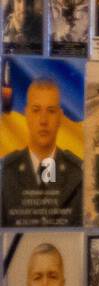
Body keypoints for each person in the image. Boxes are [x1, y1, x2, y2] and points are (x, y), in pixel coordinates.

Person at [1, 77, 84, 227]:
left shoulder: (78, 174)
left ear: (60, 117)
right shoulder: (5, 173)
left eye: (51, 111)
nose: (43, 120)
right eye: (36, 110)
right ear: (26, 114)